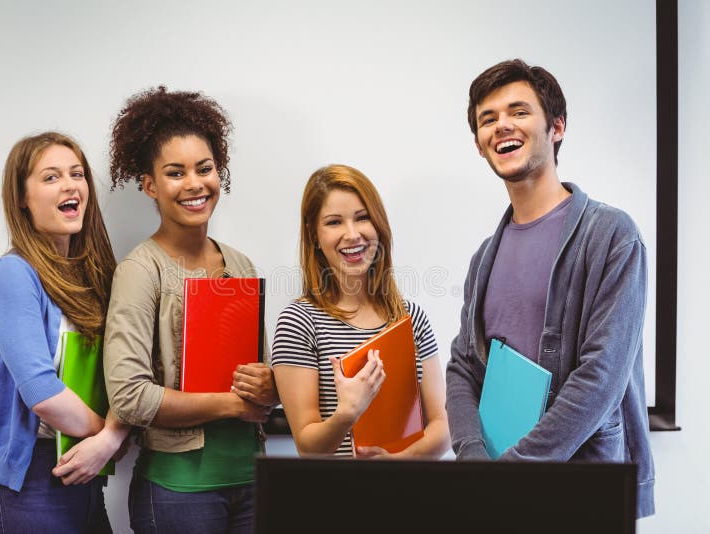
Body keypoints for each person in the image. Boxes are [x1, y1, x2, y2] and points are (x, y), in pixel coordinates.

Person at [446, 59, 655, 518]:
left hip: (580, 491)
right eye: (488, 118)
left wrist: (512, 475)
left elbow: (601, 377)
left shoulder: (613, 236)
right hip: (500, 492)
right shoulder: (484, 257)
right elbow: (462, 367)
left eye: (518, 111)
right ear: (480, 146)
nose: (502, 124)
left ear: (556, 127)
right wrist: (475, 460)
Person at [104, 87, 279, 533]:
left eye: (204, 169)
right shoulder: (141, 271)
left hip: (255, 482)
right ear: (149, 185)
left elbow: (260, 383)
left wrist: (270, 385)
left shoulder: (240, 264)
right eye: (175, 173)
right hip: (177, 491)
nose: (194, 184)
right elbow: (128, 396)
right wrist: (229, 405)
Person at [0, 132, 129, 533]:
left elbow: (125, 376)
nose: (70, 184)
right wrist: (108, 436)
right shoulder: (12, 274)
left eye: (77, 174)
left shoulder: (92, 279)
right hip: (27, 487)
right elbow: (41, 391)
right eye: (51, 177)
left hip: (85, 478)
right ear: (22, 197)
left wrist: (107, 441)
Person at [271, 164, 450, 458]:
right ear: (313, 235)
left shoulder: (411, 317)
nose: (352, 234)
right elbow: (307, 447)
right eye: (334, 222)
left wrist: (397, 463)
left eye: (362, 218)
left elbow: (442, 426)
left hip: (407, 495)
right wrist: (348, 412)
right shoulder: (299, 322)